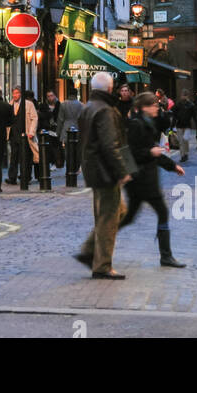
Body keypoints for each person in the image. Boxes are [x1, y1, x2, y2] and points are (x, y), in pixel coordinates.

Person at [74, 72, 134, 279]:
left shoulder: (88, 107)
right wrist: (122, 170)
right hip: (105, 170)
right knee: (109, 216)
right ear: (110, 89)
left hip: (94, 168)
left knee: (117, 212)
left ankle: (90, 251)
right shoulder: (106, 110)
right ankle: (102, 265)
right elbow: (110, 145)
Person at [121, 92, 186, 267]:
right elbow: (133, 152)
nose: (157, 108)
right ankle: (166, 256)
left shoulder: (148, 123)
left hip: (143, 180)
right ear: (144, 108)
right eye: (154, 105)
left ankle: (98, 242)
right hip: (141, 180)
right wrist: (150, 152)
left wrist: (172, 166)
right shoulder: (136, 125)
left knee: (129, 217)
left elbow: (153, 150)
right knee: (161, 212)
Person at [6, 86, 37, 185]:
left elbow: (34, 118)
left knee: (26, 157)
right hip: (13, 135)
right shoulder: (10, 104)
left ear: (21, 94)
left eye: (17, 93)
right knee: (13, 157)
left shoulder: (29, 104)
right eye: (13, 93)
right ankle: (12, 177)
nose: (15, 95)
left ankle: (26, 177)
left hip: (26, 134)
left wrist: (32, 132)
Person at [173, 92, 196, 162]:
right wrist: (172, 124)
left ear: (187, 96)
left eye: (184, 96)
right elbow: (175, 115)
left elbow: (194, 115)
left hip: (187, 125)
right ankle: (183, 155)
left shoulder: (191, 105)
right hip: (179, 125)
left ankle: (186, 153)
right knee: (181, 141)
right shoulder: (178, 105)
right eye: (182, 96)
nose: (183, 97)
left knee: (185, 139)